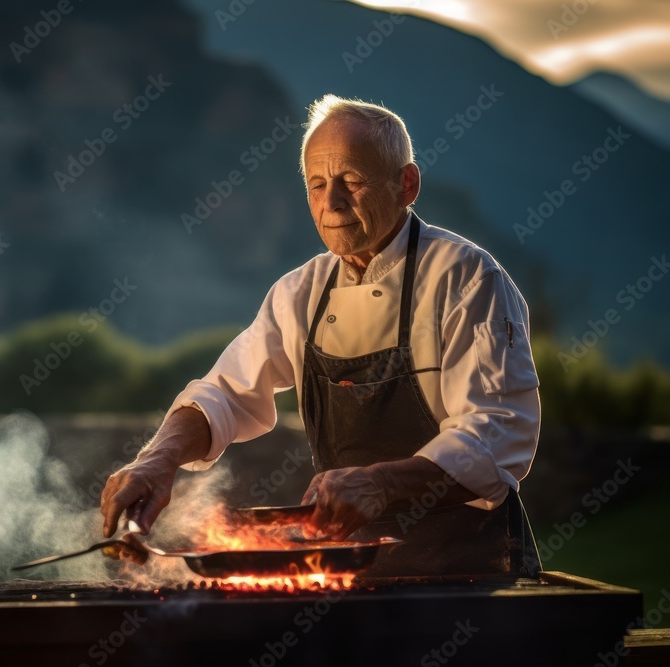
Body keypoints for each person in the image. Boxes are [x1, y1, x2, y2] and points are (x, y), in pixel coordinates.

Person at [100, 95, 541, 575]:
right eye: (317, 184)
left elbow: (496, 434)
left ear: (407, 184)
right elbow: (224, 395)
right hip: (354, 571)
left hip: (471, 572)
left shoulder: (466, 278)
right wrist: (156, 461)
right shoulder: (301, 292)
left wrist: (380, 484)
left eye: (351, 181)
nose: (331, 202)